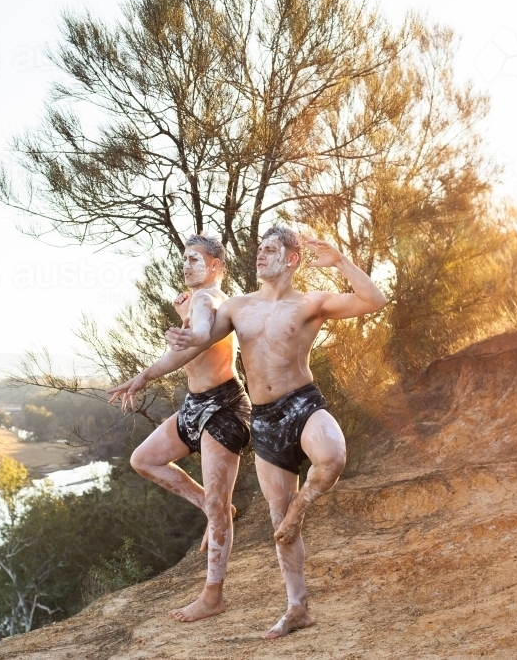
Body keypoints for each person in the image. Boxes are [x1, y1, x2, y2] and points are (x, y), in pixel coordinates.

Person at [109, 225, 388, 639]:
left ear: (291, 259)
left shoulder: (309, 303)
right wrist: (146, 375)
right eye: (259, 248)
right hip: (263, 416)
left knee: (331, 456)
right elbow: (199, 341)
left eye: (271, 249)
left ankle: (301, 506)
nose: (260, 254)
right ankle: (298, 609)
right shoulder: (238, 306)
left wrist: (341, 262)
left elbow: (374, 300)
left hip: (301, 402)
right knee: (278, 521)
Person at [108, 233, 252, 623]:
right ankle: (213, 506)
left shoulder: (207, 300)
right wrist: (183, 323)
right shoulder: (197, 301)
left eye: (195, 259)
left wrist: (192, 332)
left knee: (219, 510)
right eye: (184, 259)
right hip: (195, 405)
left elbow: (204, 335)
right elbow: (191, 343)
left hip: (223, 408)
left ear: (216, 266)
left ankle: (213, 597)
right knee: (145, 459)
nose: (186, 265)